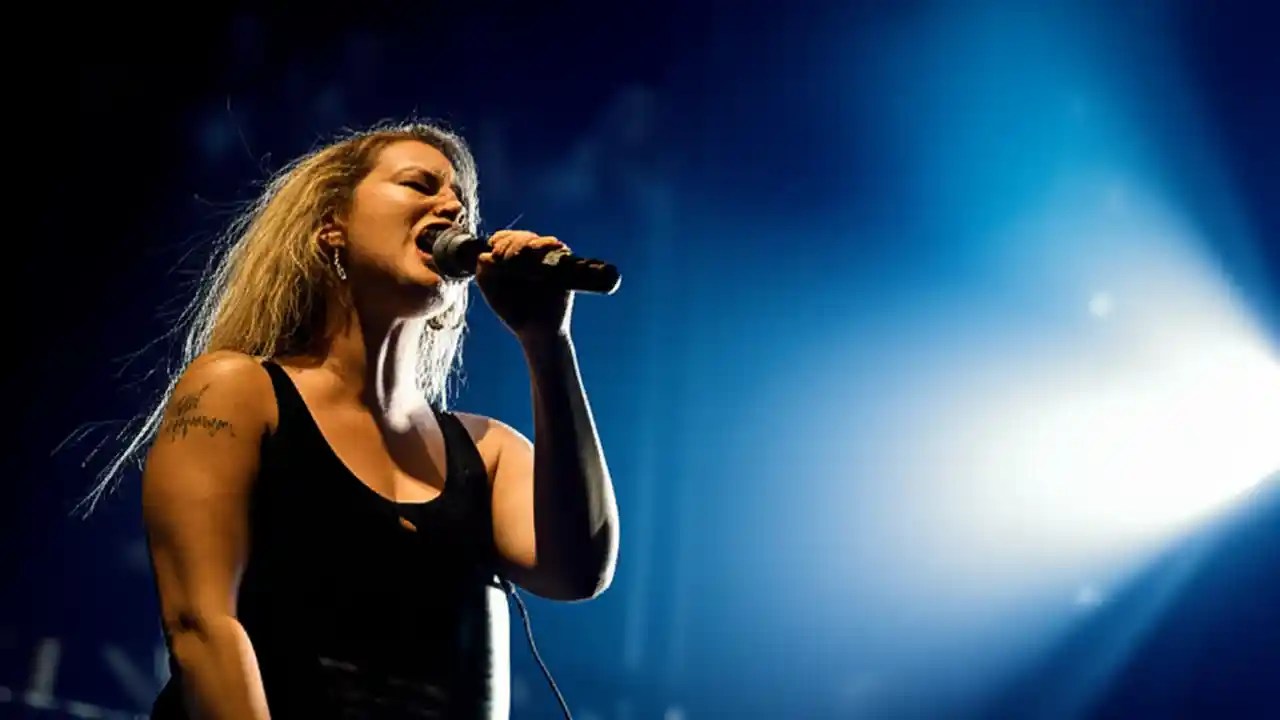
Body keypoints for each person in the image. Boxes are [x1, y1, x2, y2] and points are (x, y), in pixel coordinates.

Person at [100, 120, 620, 718]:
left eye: (459, 200)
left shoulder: (488, 452)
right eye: (419, 185)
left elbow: (578, 572)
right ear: (332, 227)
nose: (452, 207)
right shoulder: (237, 392)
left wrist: (547, 340)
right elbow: (201, 625)